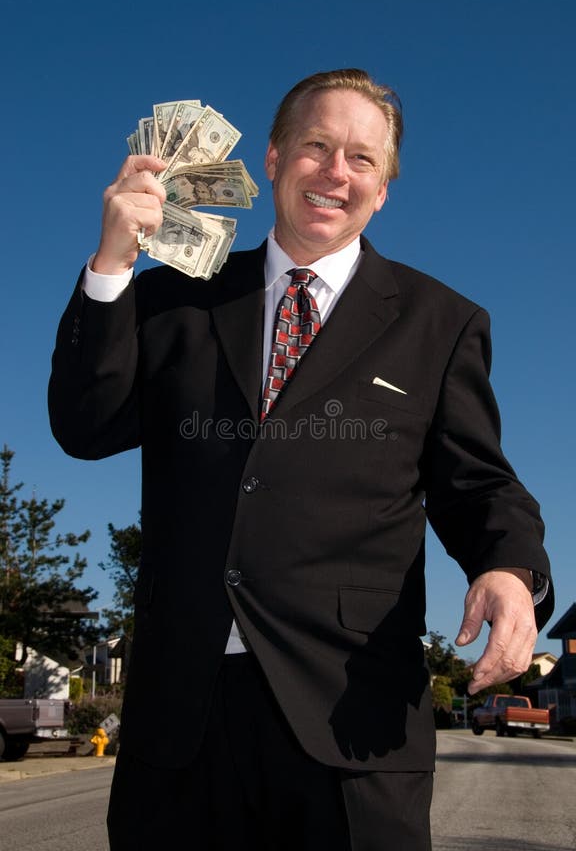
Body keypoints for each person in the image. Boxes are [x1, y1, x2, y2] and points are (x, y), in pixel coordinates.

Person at [48, 69, 554, 851]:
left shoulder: (441, 322)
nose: (336, 172)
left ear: (384, 188)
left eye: (362, 158)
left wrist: (510, 570)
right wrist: (113, 265)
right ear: (276, 159)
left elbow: (477, 482)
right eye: (317, 146)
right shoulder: (178, 300)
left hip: (350, 719)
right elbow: (83, 428)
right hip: (180, 719)